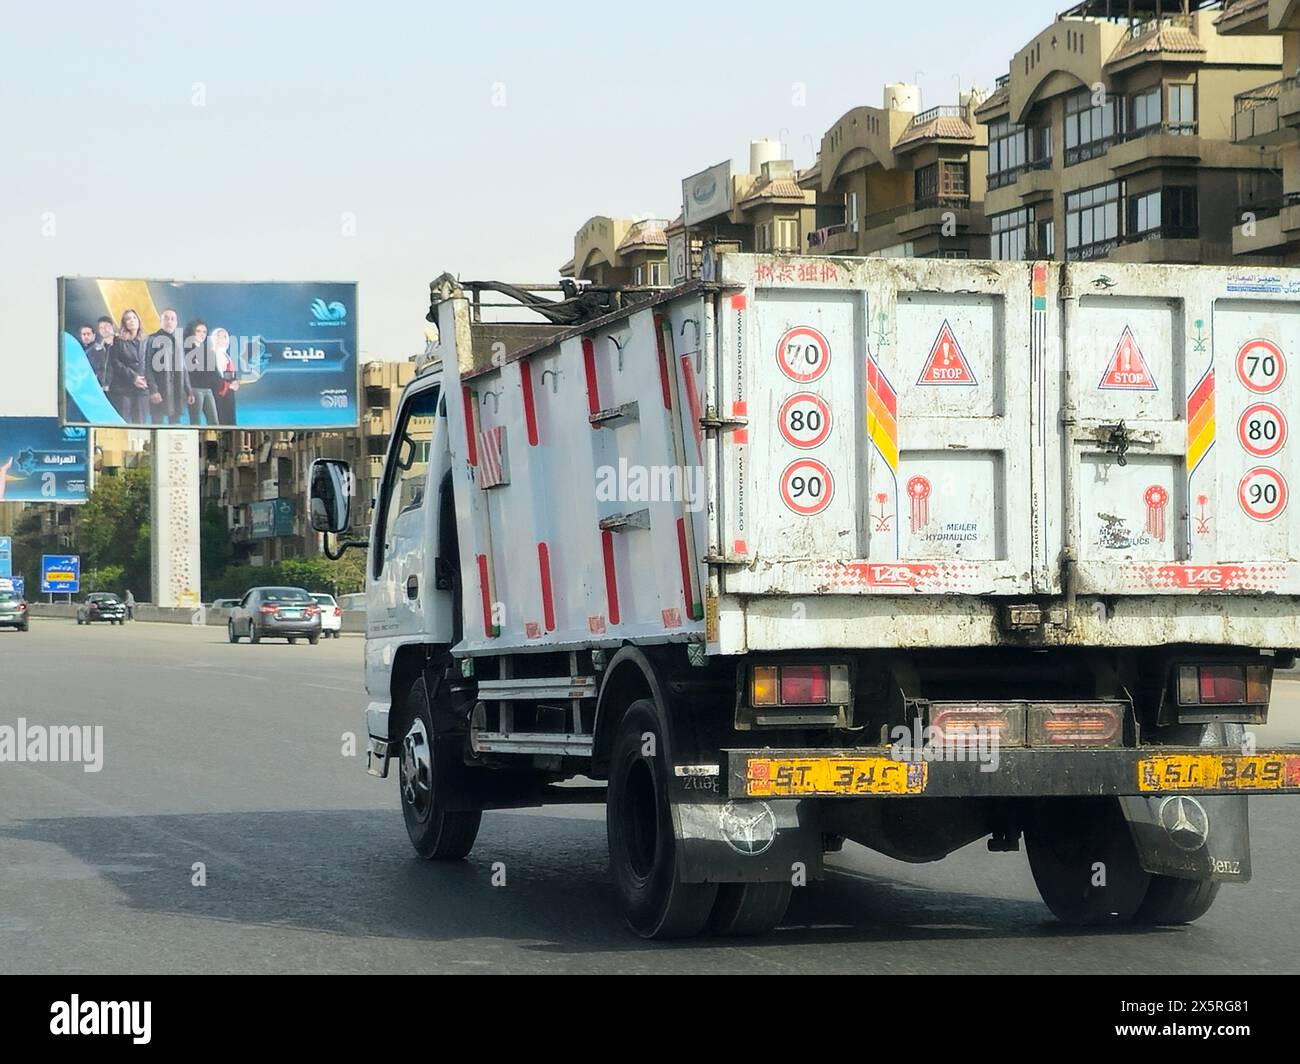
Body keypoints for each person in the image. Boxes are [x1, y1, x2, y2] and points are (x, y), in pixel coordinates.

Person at [107, 309, 160, 424]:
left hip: (141, 389)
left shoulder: (146, 340)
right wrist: (133, 377)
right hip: (122, 389)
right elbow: (115, 362)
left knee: (140, 425)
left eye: (134, 318)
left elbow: (148, 365)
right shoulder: (118, 340)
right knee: (123, 424)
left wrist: (152, 388)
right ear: (124, 323)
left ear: (138, 321)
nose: (132, 321)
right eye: (128, 319)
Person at [146, 308, 193, 425]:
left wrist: (189, 391)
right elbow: (146, 367)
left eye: (173, 319)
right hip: (160, 390)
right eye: (166, 318)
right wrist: (153, 390)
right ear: (160, 321)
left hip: (176, 390)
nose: (169, 322)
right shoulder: (152, 339)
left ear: (176, 323)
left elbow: (183, 369)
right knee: (157, 424)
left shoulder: (178, 342)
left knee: (175, 426)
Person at [183, 320, 219, 426]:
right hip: (195, 389)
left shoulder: (208, 350)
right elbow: (189, 372)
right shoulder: (187, 349)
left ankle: (212, 442)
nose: (202, 334)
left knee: (214, 422)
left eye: (204, 331)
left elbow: (213, 372)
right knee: (196, 422)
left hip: (208, 390)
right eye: (198, 331)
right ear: (192, 332)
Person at [208, 327, 240, 426]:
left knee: (230, 420)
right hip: (218, 393)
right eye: (219, 337)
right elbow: (212, 376)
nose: (222, 339)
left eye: (225, 337)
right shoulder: (210, 355)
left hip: (228, 394)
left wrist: (235, 382)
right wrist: (226, 385)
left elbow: (229, 374)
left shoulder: (226, 356)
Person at [85, 316, 116, 389]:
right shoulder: (94, 350)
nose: (104, 330)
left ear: (113, 327)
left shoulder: (122, 345)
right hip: (100, 389)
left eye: (106, 326)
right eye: (101, 328)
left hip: (119, 390)